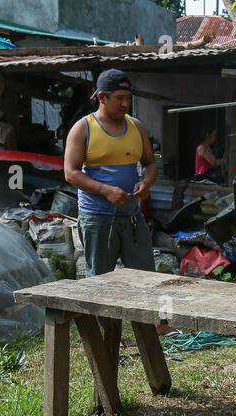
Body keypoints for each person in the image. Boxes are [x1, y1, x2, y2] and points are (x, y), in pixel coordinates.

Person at [64, 69, 158, 280]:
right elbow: (70, 173)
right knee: (99, 282)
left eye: (128, 99)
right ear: (101, 97)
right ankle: (99, 315)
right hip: (97, 219)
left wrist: (147, 182)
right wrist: (105, 190)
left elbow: (150, 163)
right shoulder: (83, 129)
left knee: (147, 280)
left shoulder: (138, 127)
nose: (125, 104)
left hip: (132, 217)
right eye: (119, 99)